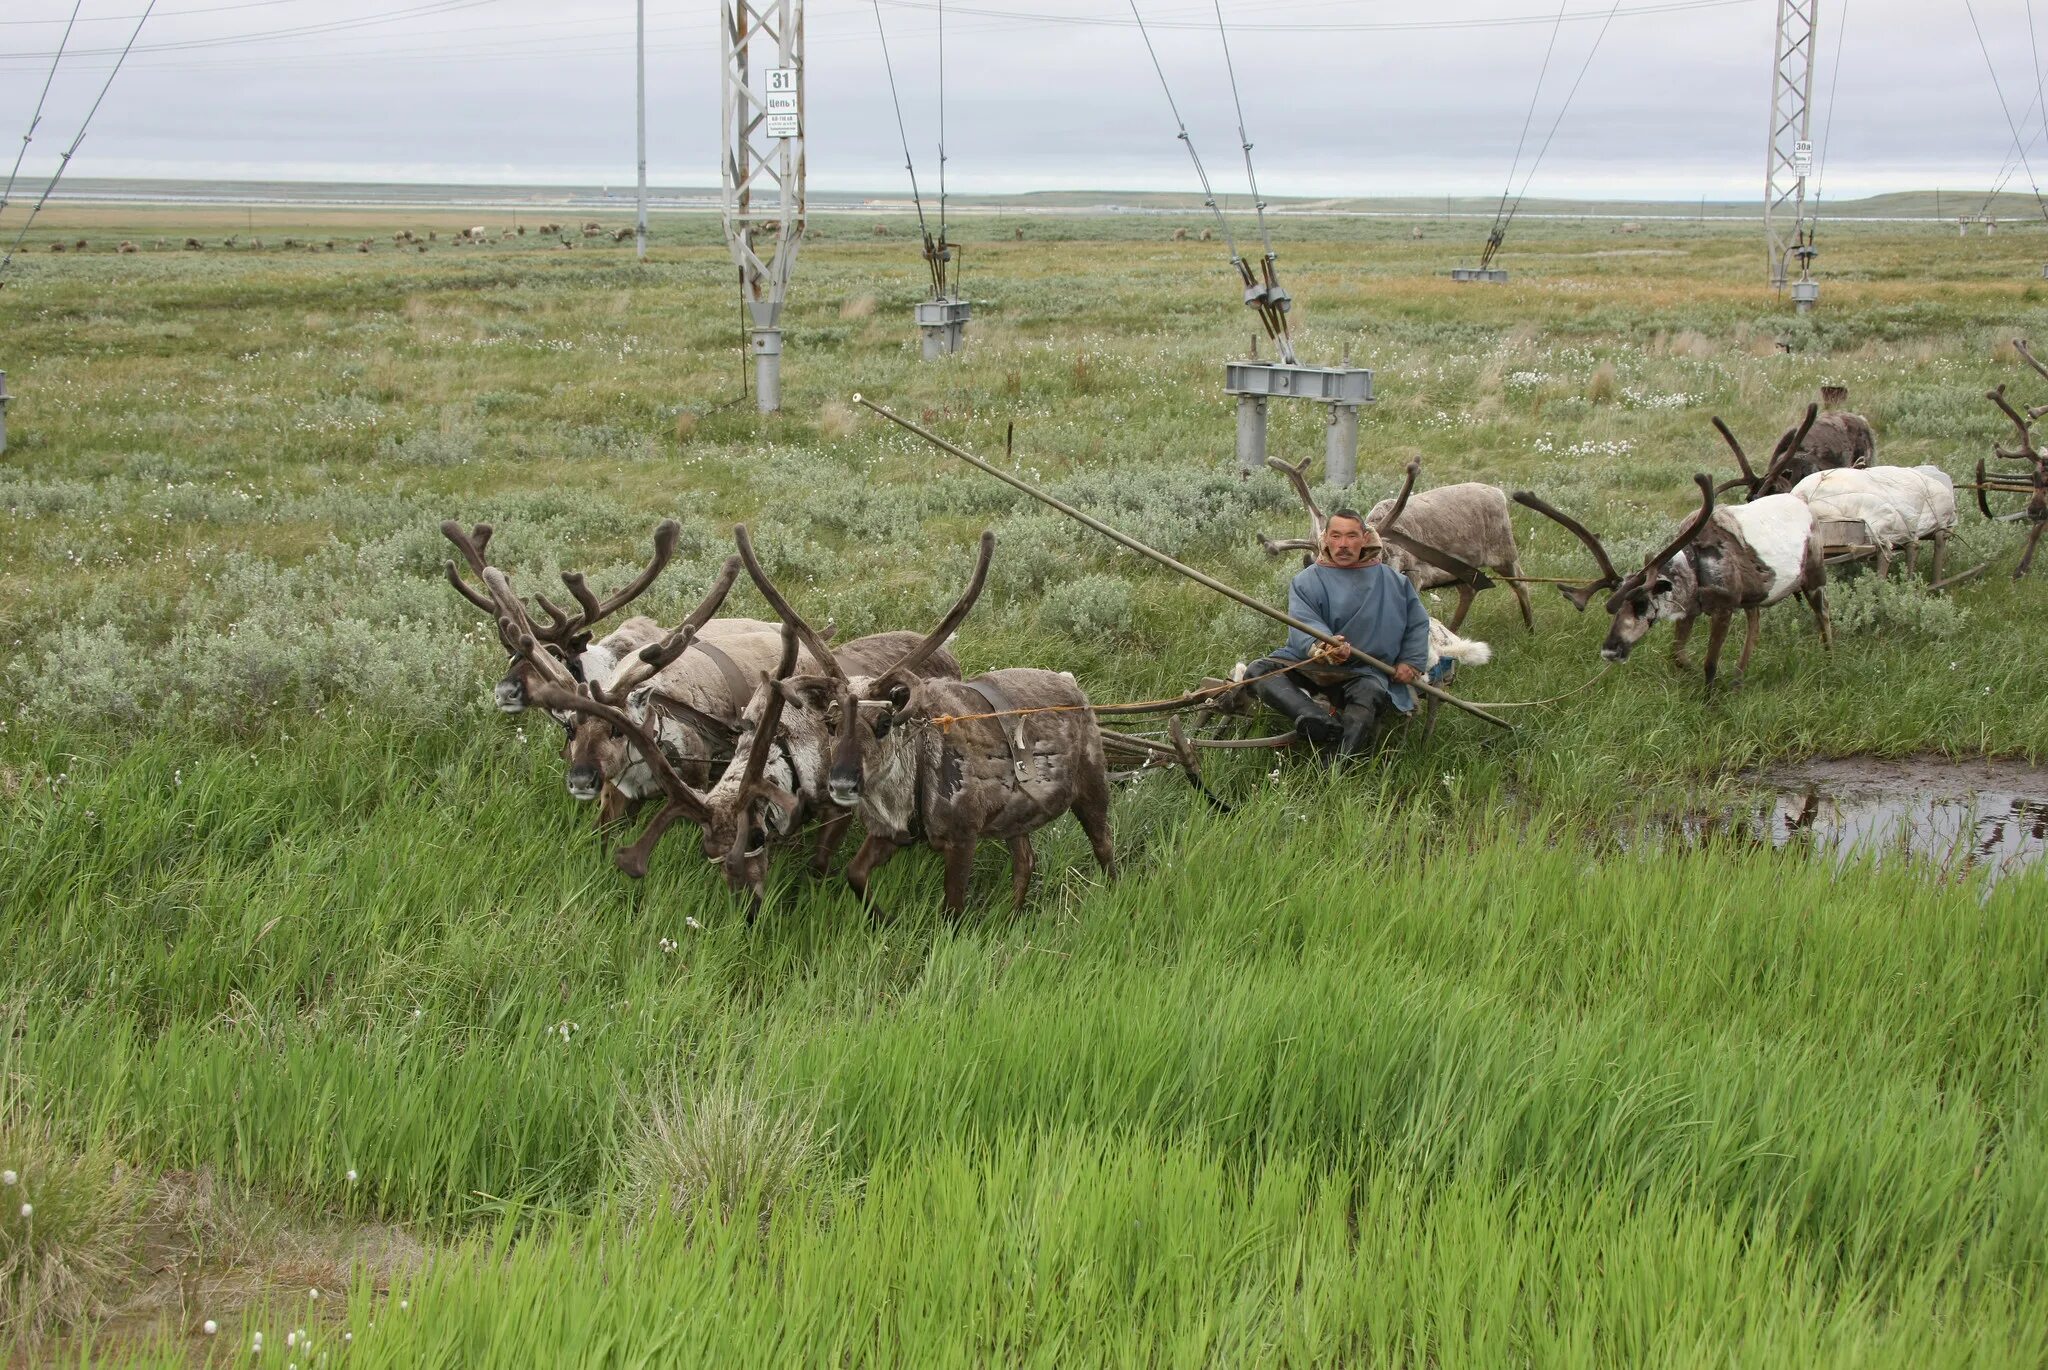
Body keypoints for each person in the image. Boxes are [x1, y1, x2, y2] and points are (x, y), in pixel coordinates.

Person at [1244, 509, 1430, 760]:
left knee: (1369, 693)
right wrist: (1324, 646)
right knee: (1258, 670)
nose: (1343, 544)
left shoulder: (1394, 582)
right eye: (1336, 536)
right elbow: (1303, 622)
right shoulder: (1307, 581)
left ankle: (1336, 764)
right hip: (1311, 665)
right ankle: (1317, 720)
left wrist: (1410, 661)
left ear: (1365, 538)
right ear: (1326, 539)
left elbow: (1417, 623)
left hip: (1365, 670)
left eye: (1351, 536)